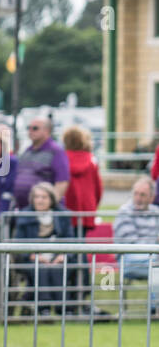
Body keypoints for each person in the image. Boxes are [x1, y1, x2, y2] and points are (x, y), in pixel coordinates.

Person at [11, 183, 72, 315]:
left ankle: (63, 308)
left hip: (57, 256)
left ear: (51, 199)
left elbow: (71, 239)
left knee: (57, 269)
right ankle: (43, 307)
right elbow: (19, 243)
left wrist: (63, 255)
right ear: (32, 199)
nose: (40, 200)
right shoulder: (25, 216)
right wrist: (32, 255)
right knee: (41, 269)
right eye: (37, 197)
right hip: (33, 259)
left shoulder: (62, 215)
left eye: (44, 197)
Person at [61, 125, 102, 313]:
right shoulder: (91, 160)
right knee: (81, 253)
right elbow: (98, 188)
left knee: (66, 252)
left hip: (66, 212)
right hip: (84, 211)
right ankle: (80, 293)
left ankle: (67, 294)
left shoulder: (62, 159)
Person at [111, 176, 159, 314]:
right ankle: (154, 309)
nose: (138, 198)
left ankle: (154, 308)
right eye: (136, 194)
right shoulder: (124, 212)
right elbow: (130, 243)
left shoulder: (156, 212)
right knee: (157, 268)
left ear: (151, 197)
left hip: (152, 258)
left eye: (143, 195)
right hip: (129, 260)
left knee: (156, 267)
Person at [12, 118, 69, 209]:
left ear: (47, 131)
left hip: (44, 212)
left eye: (35, 128)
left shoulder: (56, 151)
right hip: (24, 210)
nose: (30, 131)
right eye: (28, 128)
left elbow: (62, 183)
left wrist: (49, 205)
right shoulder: (27, 151)